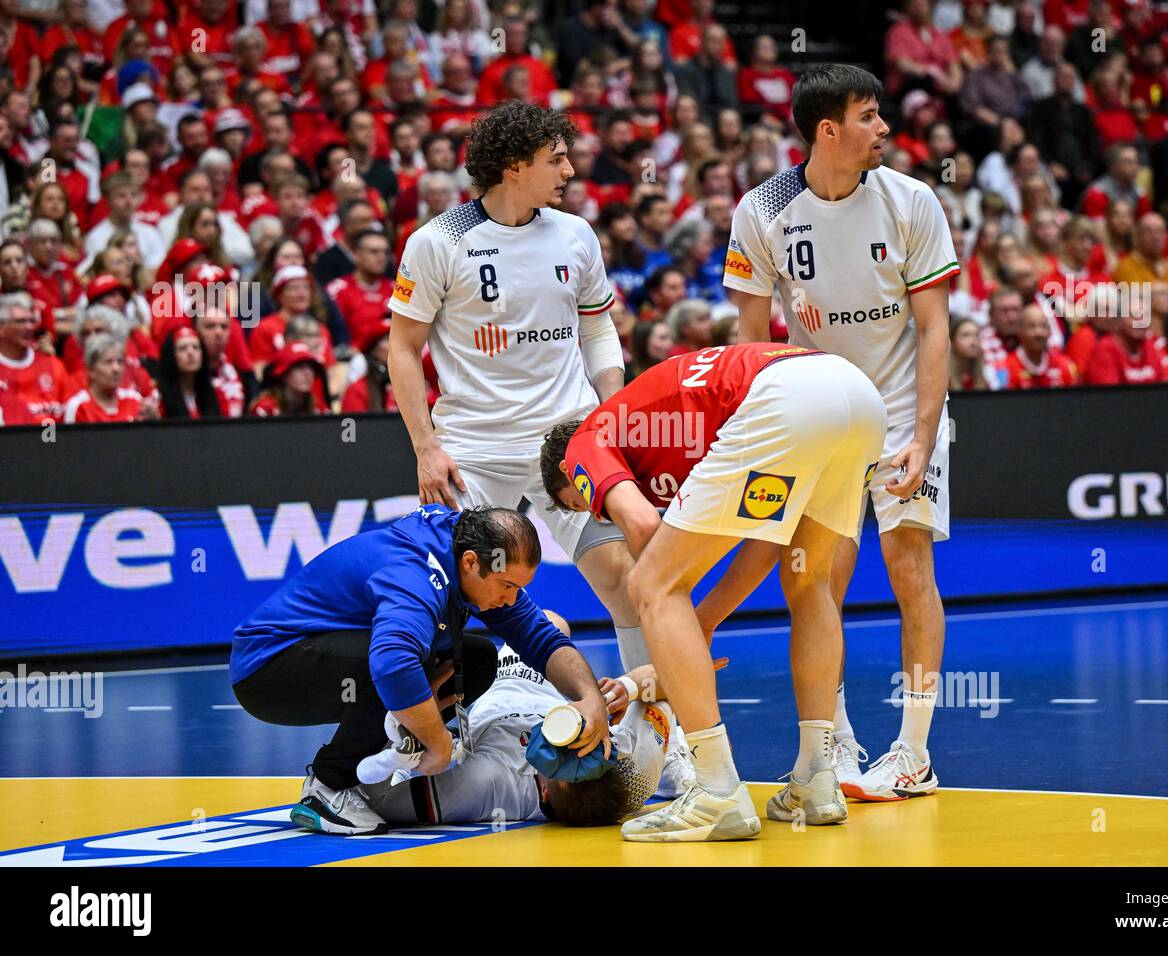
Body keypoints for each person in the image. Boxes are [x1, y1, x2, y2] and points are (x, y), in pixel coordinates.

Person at [382, 99, 692, 795]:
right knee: (444, 601)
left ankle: (661, 738)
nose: (568, 170)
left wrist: (610, 411)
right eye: (555, 158)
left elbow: (600, 331)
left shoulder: (576, 234)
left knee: (630, 579)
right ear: (513, 166)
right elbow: (403, 349)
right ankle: (437, 733)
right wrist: (426, 447)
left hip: (568, 441)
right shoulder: (439, 241)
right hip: (473, 447)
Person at [719, 64, 959, 802]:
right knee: (814, 578)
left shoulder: (911, 200)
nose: (884, 127)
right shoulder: (763, 208)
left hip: (899, 411)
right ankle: (837, 739)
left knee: (909, 568)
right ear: (829, 130)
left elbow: (934, 329)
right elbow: (751, 343)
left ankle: (913, 751)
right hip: (818, 414)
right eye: (868, 115)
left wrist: (921, 435)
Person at [539, 341, 886, 841]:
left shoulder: (584, 444)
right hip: (855, 395)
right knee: (809, 580)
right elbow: (770, 541)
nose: (595, 513)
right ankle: (816, 777)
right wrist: (698, 624)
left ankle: (717, 790)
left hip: (787, 396)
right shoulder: (681, 442)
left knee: (649, 584)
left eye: (580, 503)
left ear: (568, 478)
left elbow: (640, 528)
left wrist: (672, 629)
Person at [231, 505, 610, 835]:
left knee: (475, 661)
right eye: (507, 586)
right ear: (470, 564)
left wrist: (590, 699)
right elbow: (393, 663)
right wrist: (440, 744)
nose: (511, 599)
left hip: (324, 653)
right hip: (268, 669)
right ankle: (327, 787)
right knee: (397, 662)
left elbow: (540, 637)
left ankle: (394, 746)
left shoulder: (469, 550)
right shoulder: (416, 574)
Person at [364, 641, 677, 828]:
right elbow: (668, 683)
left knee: (434, 658)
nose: (565, 737)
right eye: (579, 742)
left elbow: (380, 802)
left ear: (544, 792)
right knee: (554, 622)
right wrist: (628, 687)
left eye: (557, 752)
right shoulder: (632, 770)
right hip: (555, 693)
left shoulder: (487, 784)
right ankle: (675, 755)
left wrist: (408, 717)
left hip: (505, 689)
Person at [0, 291, 67, 420]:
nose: (29, 327)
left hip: (49, 439)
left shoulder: (54, 366)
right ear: (1, 328)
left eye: (31, 321)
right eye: (20, 322)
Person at [61, 333, 158, 423]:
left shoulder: (134, 399)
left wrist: (154, 420)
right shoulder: (78, 407)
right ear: (90, 369)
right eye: (108, 362)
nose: (116, 369)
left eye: (120, 362)